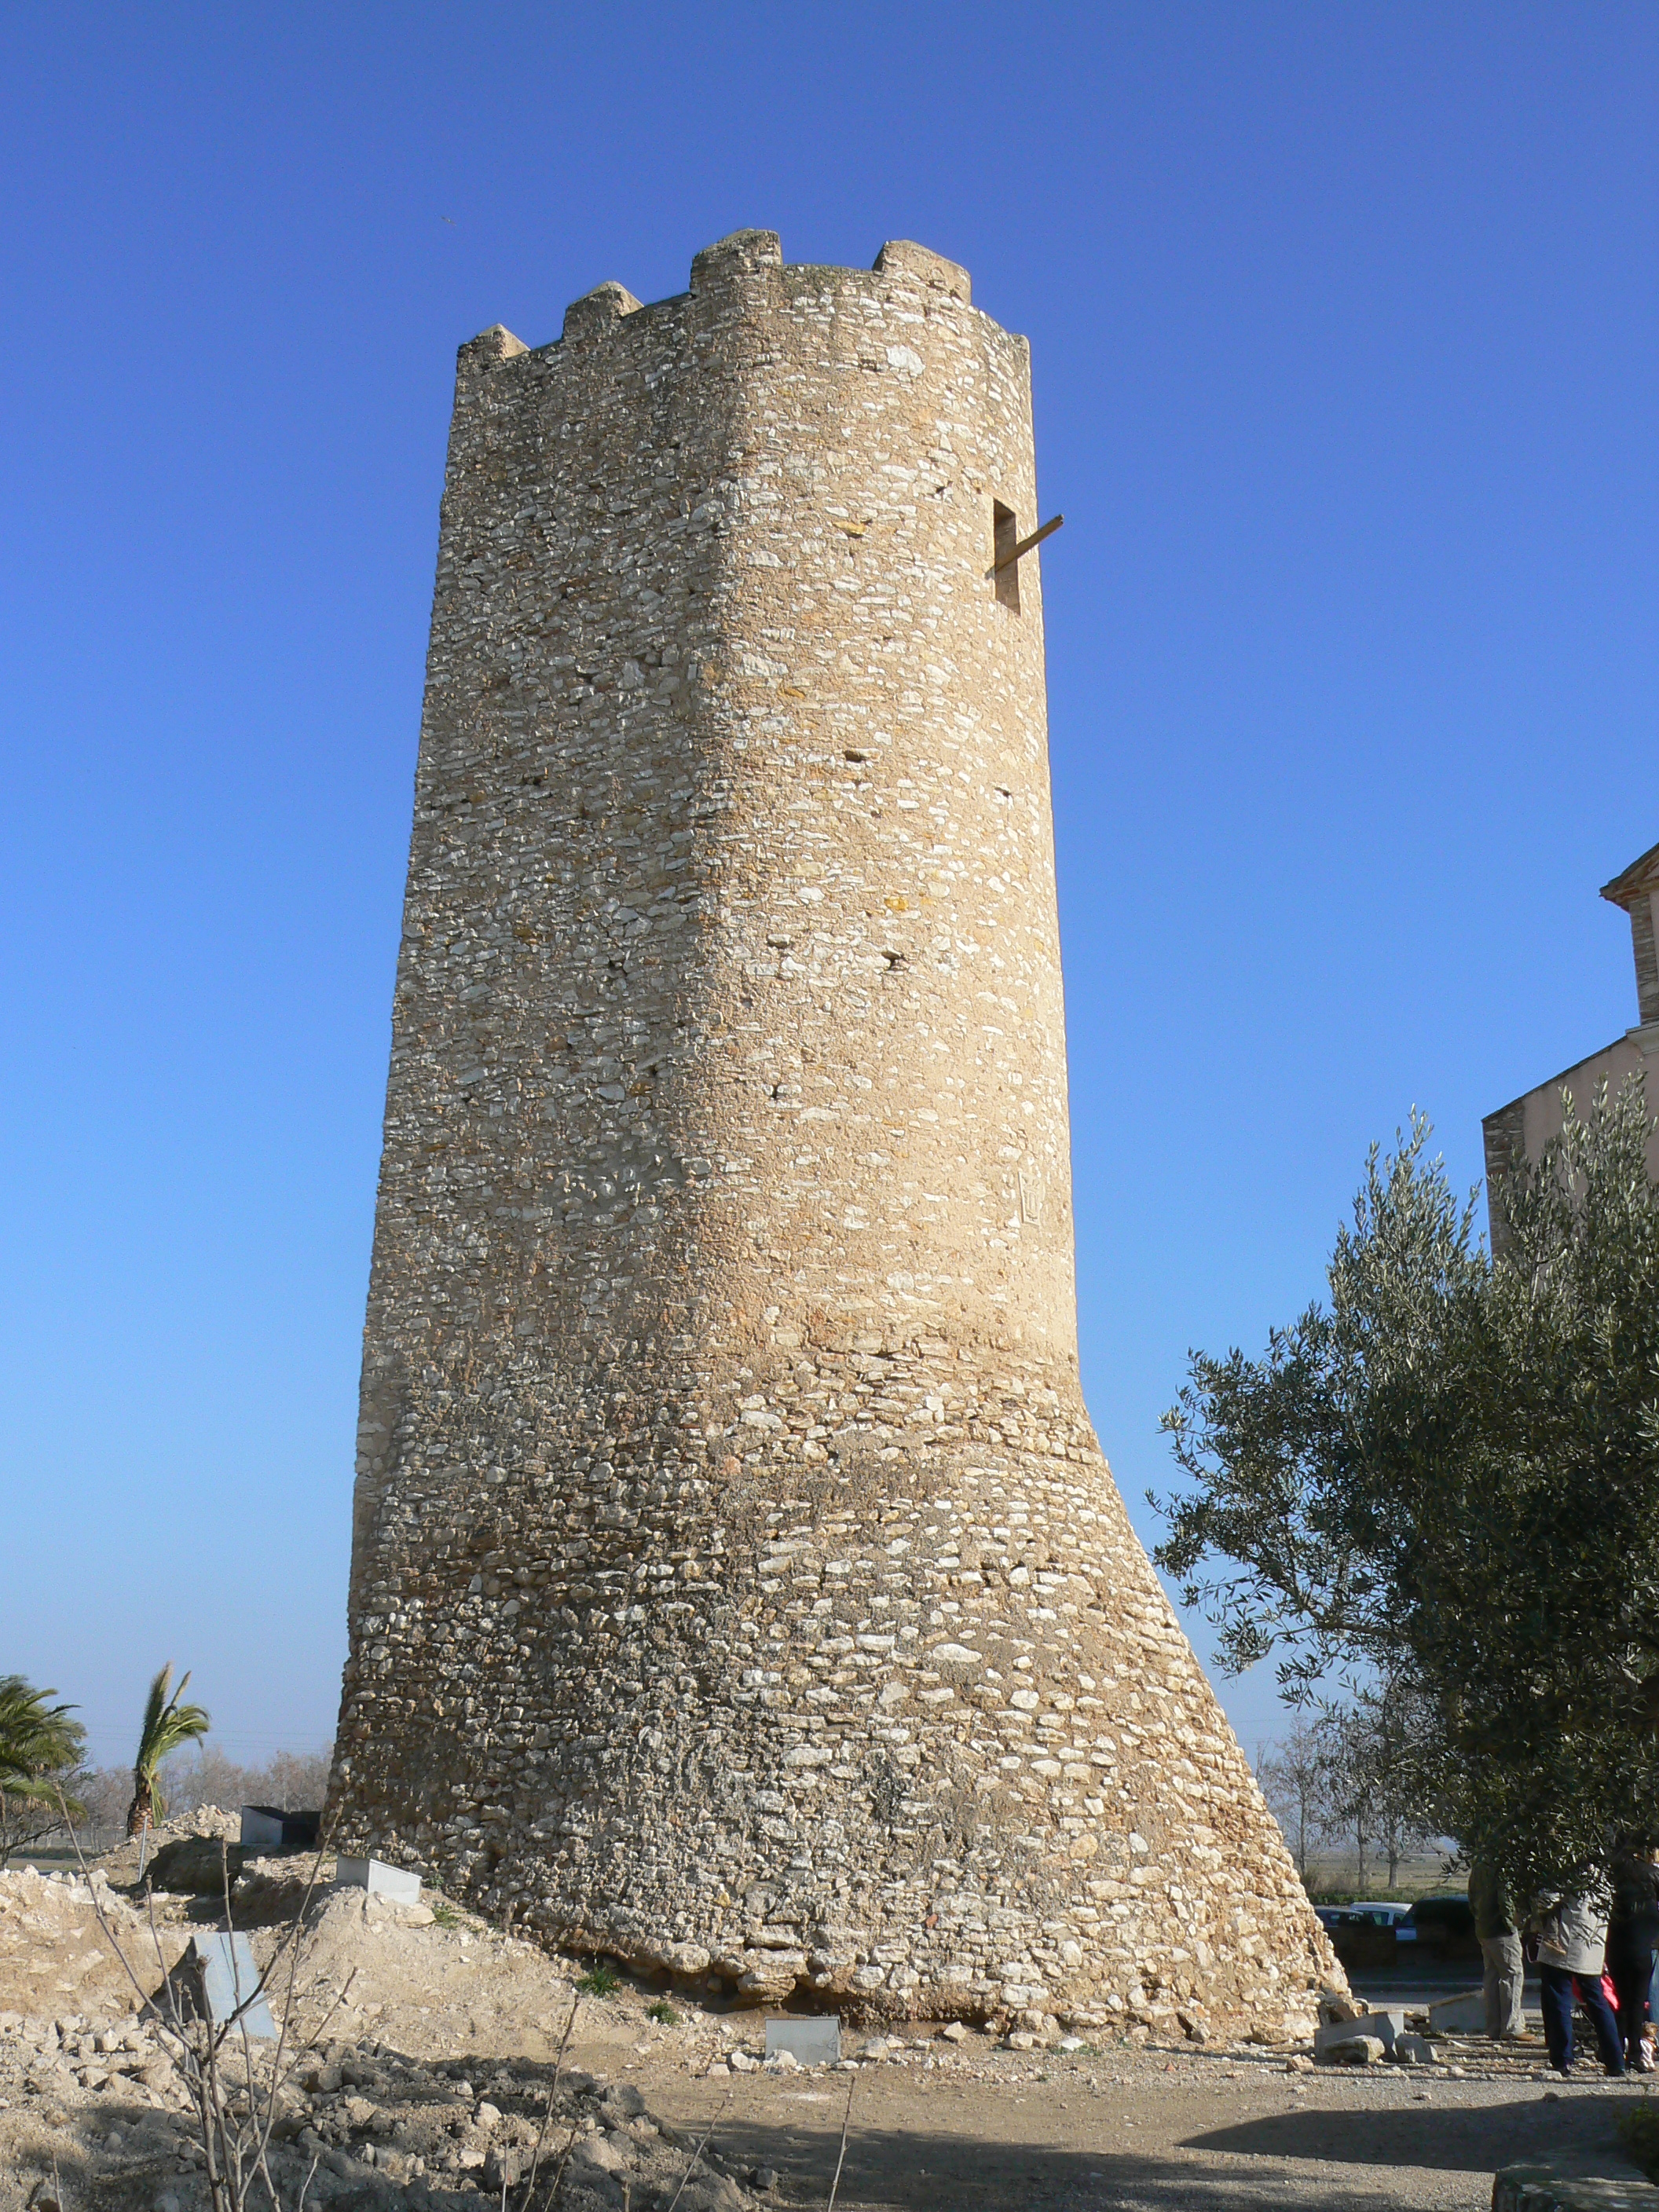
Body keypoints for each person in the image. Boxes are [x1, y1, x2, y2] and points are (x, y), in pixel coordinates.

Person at [1530, 1884, 1625, 2077]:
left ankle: (1562, 2060)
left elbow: (1550, 1896)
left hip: (1564, 1941)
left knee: (1559, 2000)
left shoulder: (1572, 1862)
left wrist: (1533, 1902)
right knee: (1597, 2000)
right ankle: (1616, 2060)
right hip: (1593, 1943)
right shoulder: (1605, 1869)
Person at [1606, 1841, 1659, 2073]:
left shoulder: (1611, 1876)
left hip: (1617, 1947)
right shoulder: (1652, 1874)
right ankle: (1635, 2054)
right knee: (1637, 2002)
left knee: (1620, 2002)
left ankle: (1616, 2050)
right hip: (1642, 1947)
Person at [1469, 1857, 1525, 2038]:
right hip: (1501, 1930)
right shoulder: (1502, 1865)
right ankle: (1511, 2027)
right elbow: (1505, 1899)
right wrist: (1513, 1926)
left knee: (1492, 1977)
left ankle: (1494, 2028)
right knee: (1513, 1975)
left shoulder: (1479, 1865)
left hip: (1484, 1928)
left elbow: (1471, 1897)